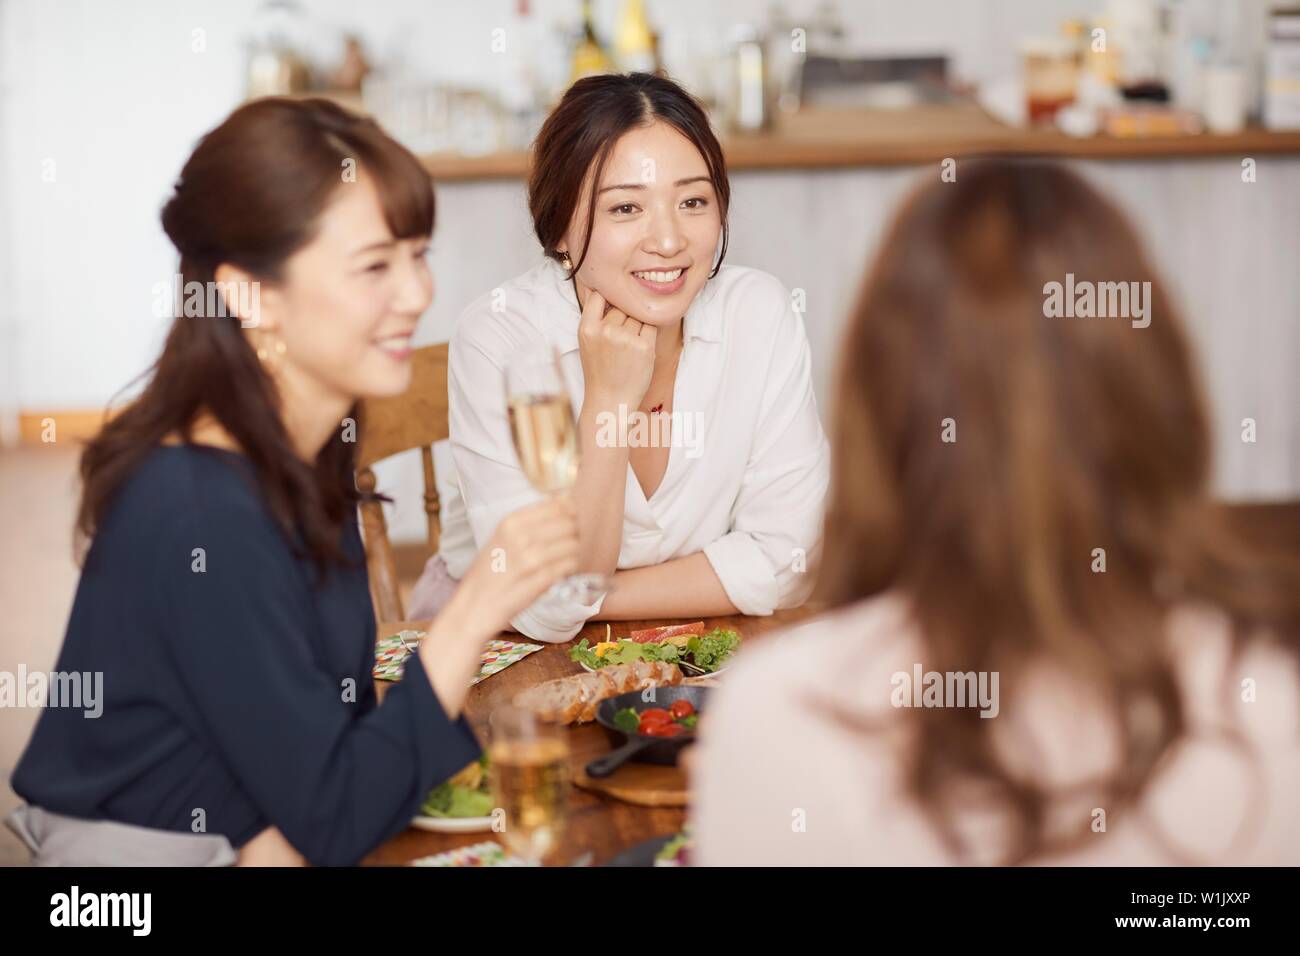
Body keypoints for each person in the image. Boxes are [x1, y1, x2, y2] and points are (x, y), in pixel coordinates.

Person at [7, 98, 579, 866]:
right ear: (250, 294)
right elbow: (333, 816)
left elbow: (301, 733)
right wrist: (473, 611)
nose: (417, 293)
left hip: (253, 822)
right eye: (375, 265)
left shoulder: (304, 443)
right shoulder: (199, 510)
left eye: (417, 253)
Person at [691, 160, 1300, 866]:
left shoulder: (780, 714)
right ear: (1160, 393)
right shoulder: (1269, 701)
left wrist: (746, 795)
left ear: (878, 410)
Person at [409, 72, 829, 643]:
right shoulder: (500, 338)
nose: (668, 240)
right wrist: (607, 401)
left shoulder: (759, 312)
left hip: (695, 644)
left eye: (693, 201)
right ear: (558, 227)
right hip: (494, 648)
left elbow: (788, 565)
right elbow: (542, 615)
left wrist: (591, 596)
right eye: (626, 208)